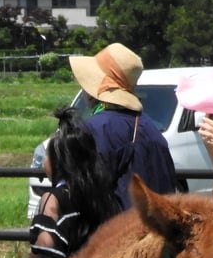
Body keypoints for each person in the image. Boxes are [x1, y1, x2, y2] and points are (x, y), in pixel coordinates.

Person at [69, 42, 178, 210]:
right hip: (155, 229)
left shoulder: (93, 130)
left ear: (93, 91)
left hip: (116, 230)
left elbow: (81, 190)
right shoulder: (152, 129)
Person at [28, 107, 121, 258]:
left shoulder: (52, 198)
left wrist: (34, 255)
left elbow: (45, 244)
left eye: (48, 155)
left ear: (59, 161)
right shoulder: (102, 194)